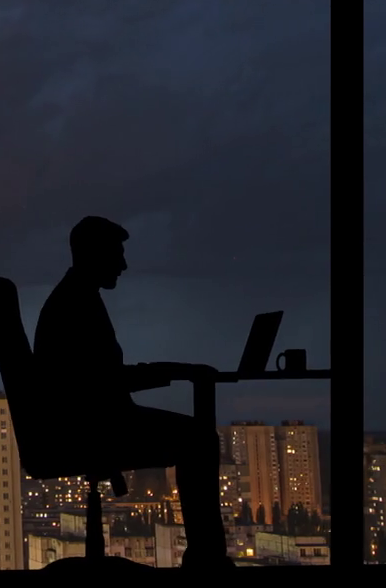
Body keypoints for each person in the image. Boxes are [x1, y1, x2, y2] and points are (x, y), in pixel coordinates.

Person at [31, 215, 234, 568]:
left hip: (81, 424)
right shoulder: (77, 303)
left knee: (196, 436)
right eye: (117, 254)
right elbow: (106, 380)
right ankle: (208, 562)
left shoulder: (73, 298)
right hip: (92, 427)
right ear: (93, 254)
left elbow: (102, 377)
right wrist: (177, 371)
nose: (124, 265)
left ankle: (206, 559)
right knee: (199, 439)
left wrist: (173, 371)